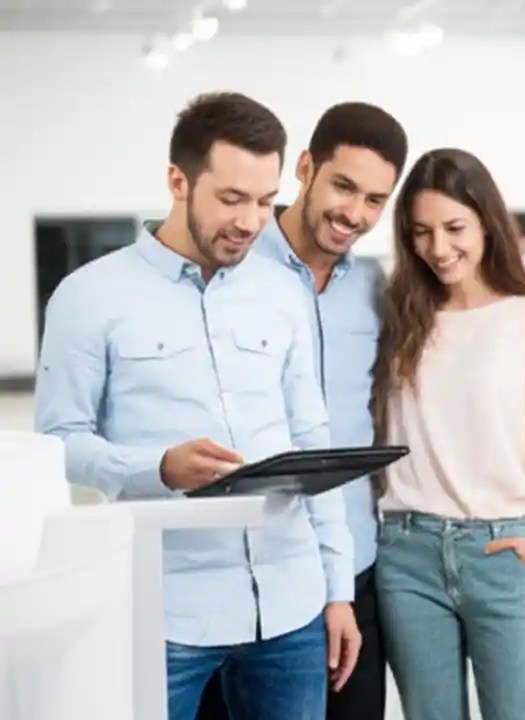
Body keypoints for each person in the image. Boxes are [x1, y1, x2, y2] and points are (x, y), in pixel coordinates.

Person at [33, 91, 358, 720]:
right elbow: (59, 443)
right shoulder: (89, 296)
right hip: (164, 609)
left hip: (290, 604)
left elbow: (313, 436)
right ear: (177, 181)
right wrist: (157, 469)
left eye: (266, 202)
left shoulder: (281, 292)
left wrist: (337, 591)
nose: (250, 222)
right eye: (232, 199)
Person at [196, 101, 408, 720]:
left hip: (353, 566)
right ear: (306, 168)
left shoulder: (375, 291)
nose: (355, 213)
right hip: (246, 569)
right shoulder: (226, 269)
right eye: (344, 186)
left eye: (375, 200)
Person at [371, 147, 525, 720]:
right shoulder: (399, 316)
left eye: (454, 228)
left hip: (504, 550)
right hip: (408, 553)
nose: (438, 248)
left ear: (487, 224)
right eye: (421, 232)